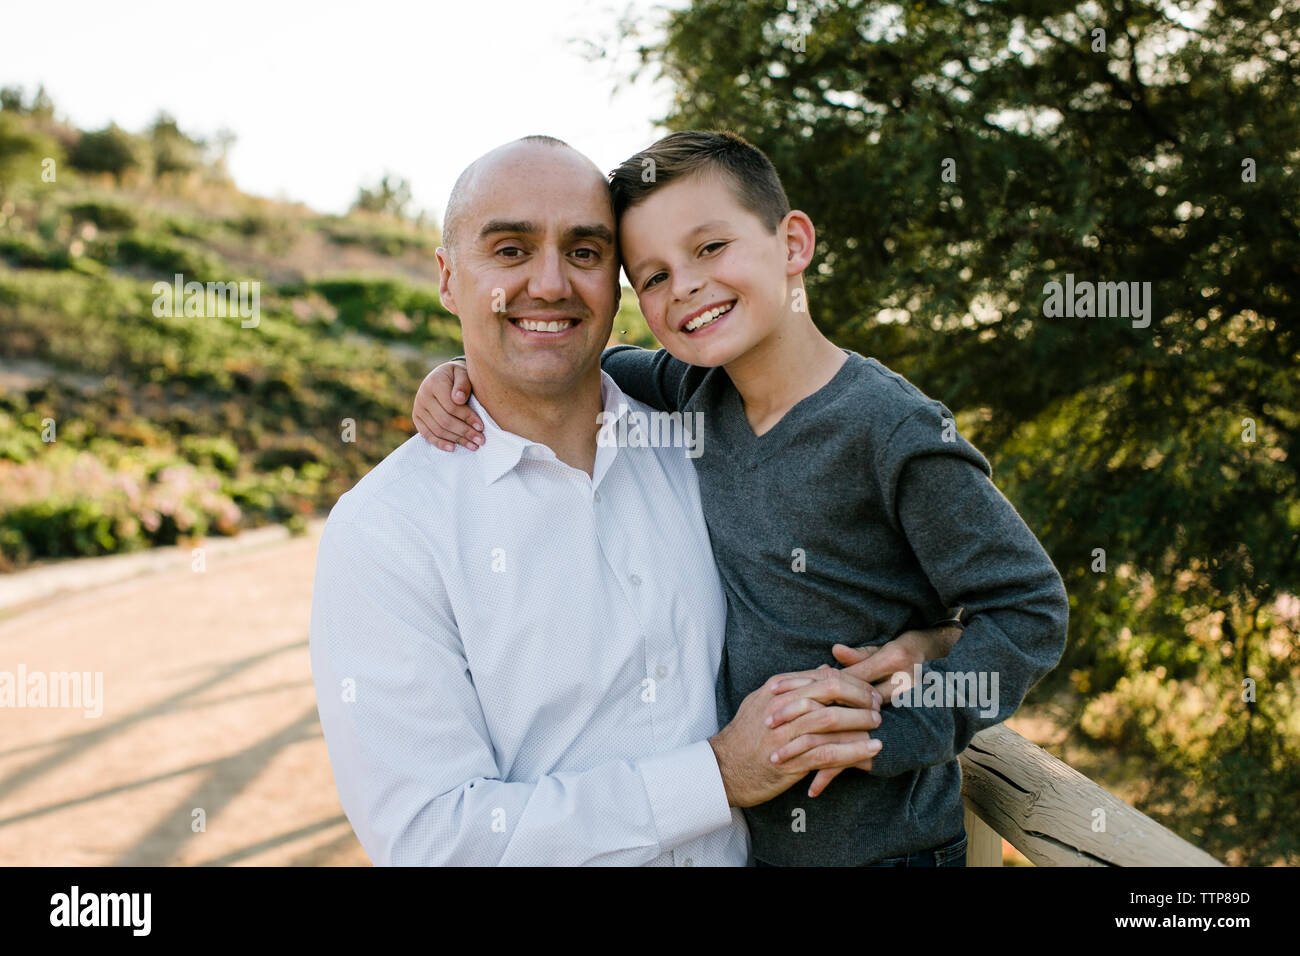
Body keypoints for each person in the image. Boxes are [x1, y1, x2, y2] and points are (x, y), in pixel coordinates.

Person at [413, 130, 1070, 867]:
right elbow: (570, 364)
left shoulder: (891, 430)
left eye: (710, 248)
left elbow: (1028, 610)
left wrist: (900, 727)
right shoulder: (693, 390)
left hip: (890, 850)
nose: (685, 286)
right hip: (753, 845)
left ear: (792, 242)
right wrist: (459, 372)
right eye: (653, 276)